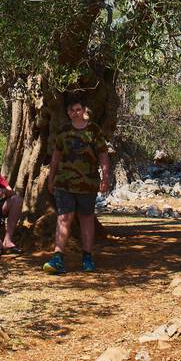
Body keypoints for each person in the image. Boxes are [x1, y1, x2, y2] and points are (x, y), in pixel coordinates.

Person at [43, 95, 111, 274]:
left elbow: (103, 154)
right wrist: (51, 178)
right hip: (64, 184)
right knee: (64, 218)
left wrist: (105, 177)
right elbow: (55, 157)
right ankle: (58, 257)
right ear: (67, 112)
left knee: (86, 219)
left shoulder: (94, 131)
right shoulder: (63, 131)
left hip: (87, 184)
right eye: (71, 111)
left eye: (78, 110)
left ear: (84, 110)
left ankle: (87, 257)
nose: (75, 113)